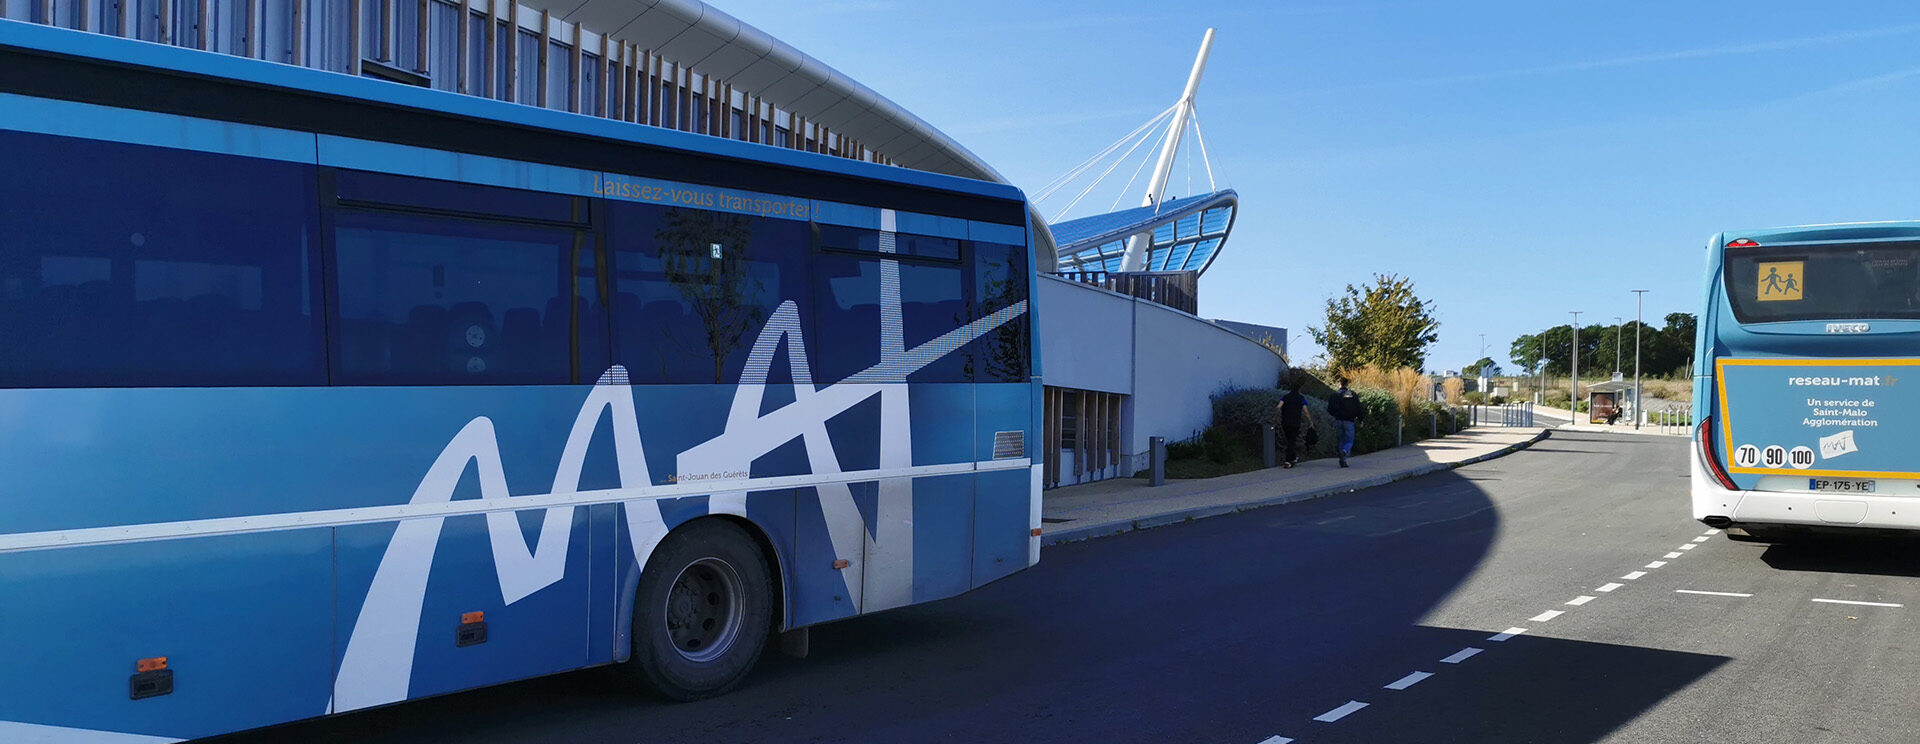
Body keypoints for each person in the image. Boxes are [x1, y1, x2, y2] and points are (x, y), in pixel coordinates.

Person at [1327, 377, 1364, 467]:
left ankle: (1342, 460)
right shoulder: (1352, 394)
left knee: (1341, 440)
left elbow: (1329, 408)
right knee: (1349, 441)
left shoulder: (1335, 395)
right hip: (1349, 420)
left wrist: (1335, 415)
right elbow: (1358, 407)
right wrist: (1361, 419)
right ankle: (1344, 452)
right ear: (1347, 384)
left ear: (1339, 384)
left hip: (1338, 420)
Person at [1278, 380, 1313, 467]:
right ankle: (1288, 461)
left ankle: (1293, 458)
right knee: (1292, 440)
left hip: (1285, 422)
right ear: (1299, 389)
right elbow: (1306, 411)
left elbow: (1279, 406)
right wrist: (1310, 422)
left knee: (1289, 440)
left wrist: (1276, 417)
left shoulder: (1285, 397)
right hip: (1295, 422)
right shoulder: (1301, 398)